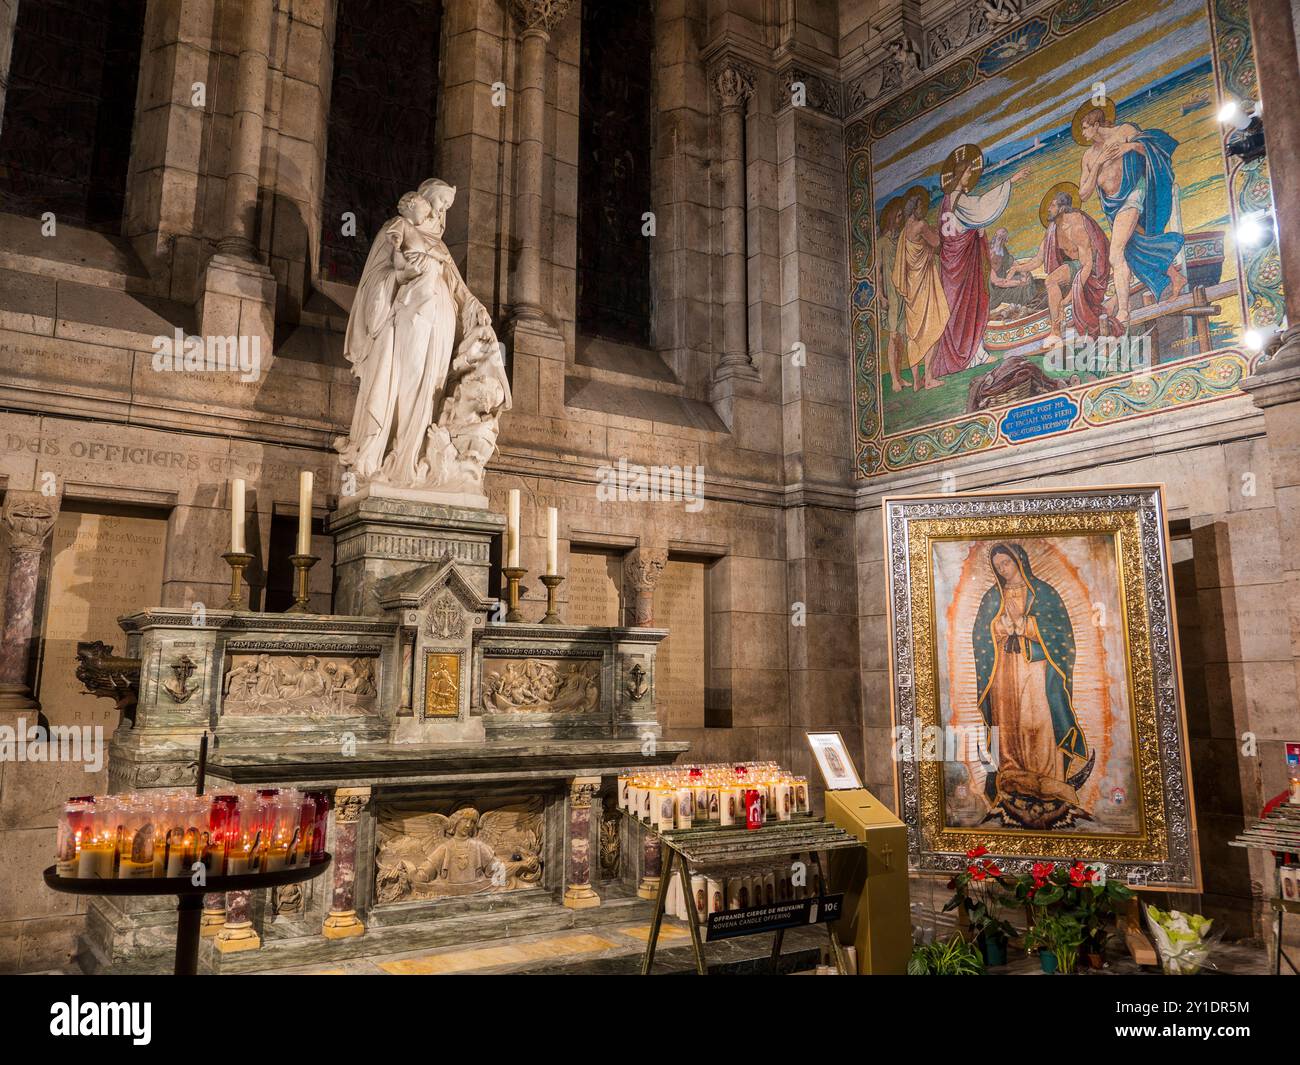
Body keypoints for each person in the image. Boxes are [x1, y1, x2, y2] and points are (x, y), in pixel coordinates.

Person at [972, 544, 1090, 824]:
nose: (1003, 569)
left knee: (1037, 719)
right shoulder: (993, 596)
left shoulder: (1044, 593)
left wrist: (1027, 626)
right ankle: (1012, 774)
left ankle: (1046, 776)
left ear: (1019, 560)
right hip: (1003, 670)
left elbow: (1061, 634)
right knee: (1009, 722)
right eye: (998, 565)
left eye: (1006, 563)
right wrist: (999, 627)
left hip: (1035, 669)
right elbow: (980, 634)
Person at [1076, 99, 1185, 328]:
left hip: (1134, 194)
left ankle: (1124, 311)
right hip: (1113, 207)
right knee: (1138, 248)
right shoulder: (1088, 157)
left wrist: (1130, 147)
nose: (1083, 133)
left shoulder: (1123, 131)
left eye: (1085, 127)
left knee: (1116, 254)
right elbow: (1083, 194)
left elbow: (1154, 150)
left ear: (1096, 124)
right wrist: (1097, 165)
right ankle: (1176, 277)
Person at [933, 144, 1029, 376]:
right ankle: (970, 354)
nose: (969, 177)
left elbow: (946, 235)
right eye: (967, 173)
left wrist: (975, 234)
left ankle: (973, 352)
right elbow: (983, 206)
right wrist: (1011, 181)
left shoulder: (945, 202)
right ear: (958, 175)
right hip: (962, 266)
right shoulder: (959, 199)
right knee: (968, 305)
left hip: (951, 265)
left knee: (959, 309)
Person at [1012, 187, 1120, 341]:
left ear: (1062, 208)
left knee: (1051, 280)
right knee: (1045, 288)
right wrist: (1017, 268)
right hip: (1074, 268)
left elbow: (1087, 265)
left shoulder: (1076, 227)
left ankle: (1055, 331)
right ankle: (1056, 320)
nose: (1048, 209)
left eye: (1053, 206)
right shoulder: (1053, 228)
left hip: (1093, 270)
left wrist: (1068, 298)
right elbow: (1038, 259)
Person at [890, 186, 949, 390]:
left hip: (912, 290)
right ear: (915, 207)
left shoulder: (905, 229)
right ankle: (929, 377)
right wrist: (934, 230)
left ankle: (916, 381)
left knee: (915, 334)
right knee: (935, 325)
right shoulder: (921, 225)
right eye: (922, 204)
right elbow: (936, 243)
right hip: (924, 285)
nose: (924, 207)